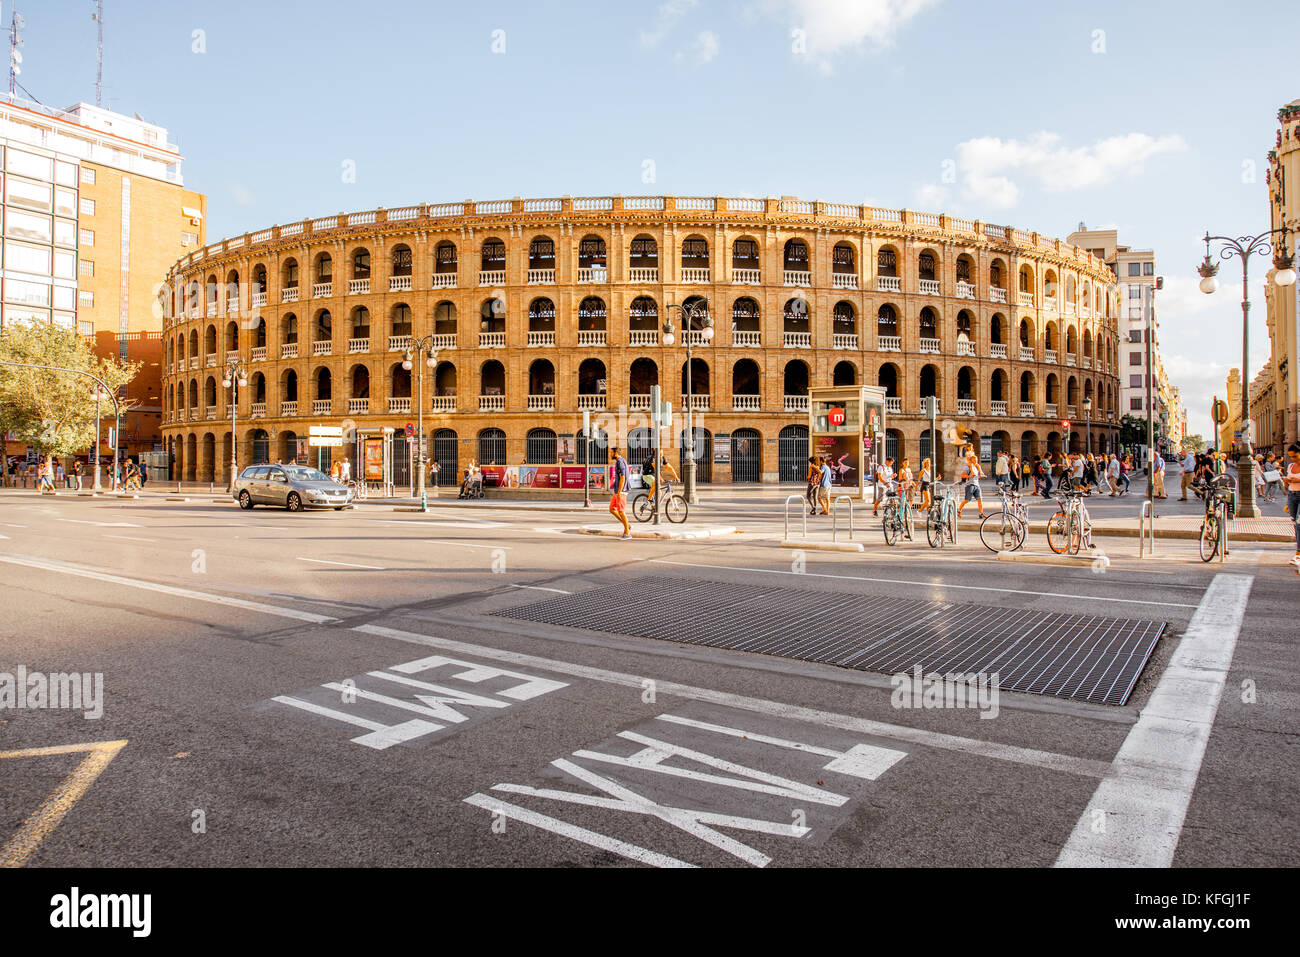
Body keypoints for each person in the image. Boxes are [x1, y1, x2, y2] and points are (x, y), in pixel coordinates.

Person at [1283, 442, 1300, 567]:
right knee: (1295, 523)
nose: (1293, 459)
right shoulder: (1290, 467)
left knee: (1299, 523)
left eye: (1295, 456)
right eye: (1291, 456)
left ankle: (1298, 554)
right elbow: (1287, 487)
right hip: (1292, 495)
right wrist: (1286, 481)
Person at [608, 446, 631, 539]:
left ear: (615, 453)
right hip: (618, 490)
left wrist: (620, 491)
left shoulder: (620, 462)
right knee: (611, 509)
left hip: (621, 490)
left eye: (611, 452)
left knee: (621, 511)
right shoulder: (621, 460)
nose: (610, 454)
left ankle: (627, 532)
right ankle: (627, 525)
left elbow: (623, 477)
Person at [956, 453, 985, 518]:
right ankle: (959, 510)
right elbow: (962, 475)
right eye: (974, 460)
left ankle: (981, 513)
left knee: (980, 499)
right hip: (970, 485)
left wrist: (979, 476)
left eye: (976, 460)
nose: (976, 461)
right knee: (967, 500)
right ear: (971, 460)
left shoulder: (976, 467)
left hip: (976, 485)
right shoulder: (967, 467)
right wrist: (969, 476)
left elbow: (977, 476)